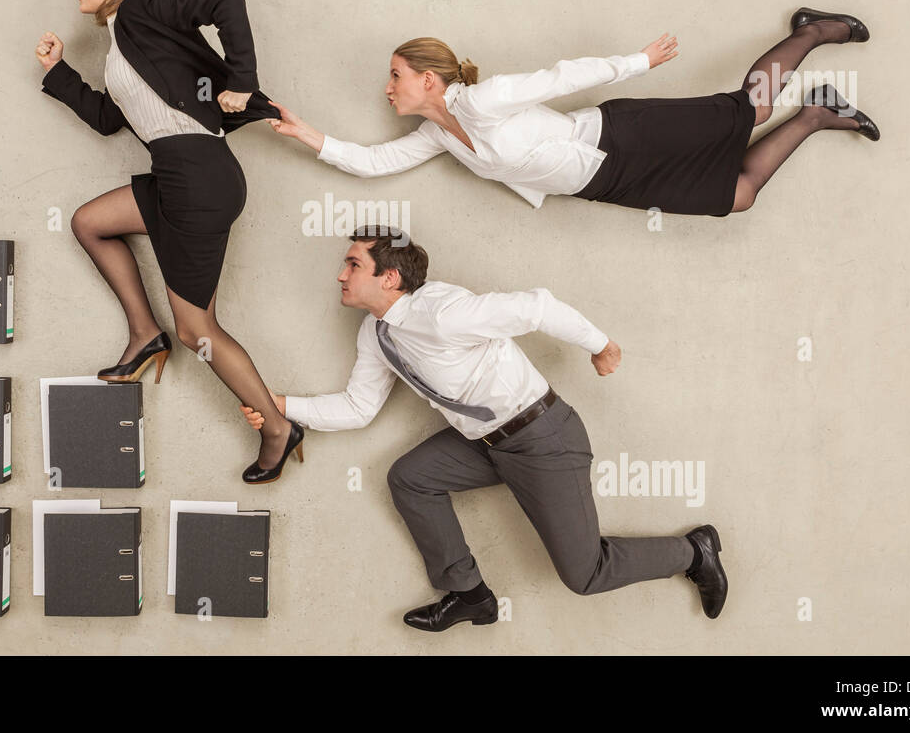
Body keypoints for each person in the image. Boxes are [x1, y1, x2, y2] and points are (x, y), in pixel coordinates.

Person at [239, 226, 728, 630]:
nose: (339, 275)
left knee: (584, 575)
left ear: (389, 277)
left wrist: (600, 344)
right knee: (410, 478)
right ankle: (470, 594)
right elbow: (359, 407)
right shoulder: (376, 331)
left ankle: (693, 552)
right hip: (484, 443)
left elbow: (538, 307)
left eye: (352, 265)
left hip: (541, 439)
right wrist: (280, 404)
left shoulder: (443, 311)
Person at [36, 0, 302, 484]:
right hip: (176, 173)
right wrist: (60, 71)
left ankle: (276, 427)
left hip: (198, 177)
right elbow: (112, 120)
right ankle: (142, 333)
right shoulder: (126, 41)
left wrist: (242, 84)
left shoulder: (146, 3)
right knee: (90, 223)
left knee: (196, 327)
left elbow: (228, 1)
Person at [266, 7, 879, 216]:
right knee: (736, 197)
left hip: (620, 138)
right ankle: (816, 115)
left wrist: (637, 62)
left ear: (430, 78)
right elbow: (373, 163)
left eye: (395, 76)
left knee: (745, 111)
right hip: (603, 183)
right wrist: (307, 135)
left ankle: (812, 31)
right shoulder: (439, 135)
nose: (387, 88)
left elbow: (558, 78)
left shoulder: (479, 102)